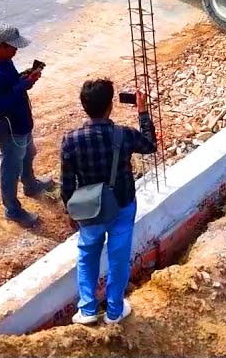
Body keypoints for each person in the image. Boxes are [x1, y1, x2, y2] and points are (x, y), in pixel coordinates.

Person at [64, 79, 157, 327]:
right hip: (122, 204)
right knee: (118, 257)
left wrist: (70, 211)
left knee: (87, 255)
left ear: (84, 105)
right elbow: (150, 145)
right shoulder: (124, 135)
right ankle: (114, 311)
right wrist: (142, 111)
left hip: (90, 210)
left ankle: (87, 310)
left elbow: (66, 184)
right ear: (110, 106)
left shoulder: (71, 140)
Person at [0, 24, 55, 227]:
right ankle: (12, 209)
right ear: (0, 45)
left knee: (29, 154)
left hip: (21, 124)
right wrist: (23, 85)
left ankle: (30, 184)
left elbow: (9, 86)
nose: (16, 51)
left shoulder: (3, 61)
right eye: (13, 47)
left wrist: (23, 78)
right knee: (10, 170)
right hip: (11, 131)